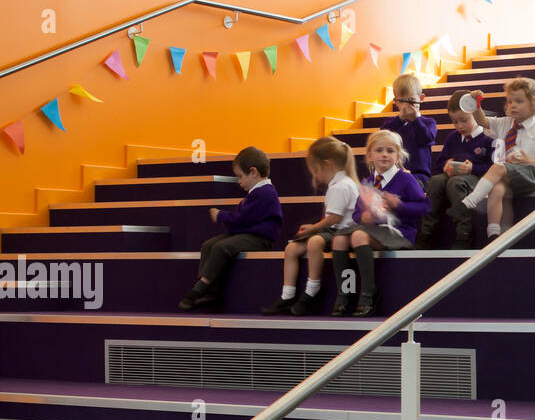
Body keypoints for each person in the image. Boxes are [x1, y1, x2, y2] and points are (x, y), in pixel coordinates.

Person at [331, 129, 428, 317]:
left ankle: (369, 292)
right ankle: (346, 292)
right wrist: (363, 217)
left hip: (400, 233)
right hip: (373, 232)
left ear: (398, 155)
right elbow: (358, 214)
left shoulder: (406, 179)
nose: (385, 154)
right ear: (369, 156)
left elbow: (423, 207)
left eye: (390, 151)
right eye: (379, 150)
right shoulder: (368, 182)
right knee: (339, 240)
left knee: (358, 235)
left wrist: (399, 205)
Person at [261, 137, 358, 316]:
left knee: (314, 242)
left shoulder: (342, 186)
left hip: (342, 232)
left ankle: (312, 290)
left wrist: (313, 228)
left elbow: (334, 219)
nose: (315, 175)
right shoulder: (336, 184)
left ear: (327, 165)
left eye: (315, 170)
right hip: (331, 230)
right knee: (291, 249)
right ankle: (288, 295)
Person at [450, 77, 535, 241]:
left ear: (533, 104)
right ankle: (493, 233)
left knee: (498, 167)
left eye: (518, 101)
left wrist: (529, 162)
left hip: (531, 175)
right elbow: (482, 121)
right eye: (509, 101)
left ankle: (469, 203)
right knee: (497, 188)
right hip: (510, 173)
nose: (512, 105)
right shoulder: (505, 123)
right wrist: (476, 105)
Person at [179, 146, 282, 311]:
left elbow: (243, 219)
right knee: (208, 245)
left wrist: (221, 215)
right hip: (247, 233)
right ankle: (211, 290)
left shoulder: (265, 193)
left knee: (222, 247)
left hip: (260, 239)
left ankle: (200, 287)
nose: (239, 181)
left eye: (240, 176)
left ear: (253, 172)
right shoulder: (256, 193)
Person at [418, 90, 495, 249]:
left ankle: (464, 232)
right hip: (453, 176)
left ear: (475, 114)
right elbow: (439, 163)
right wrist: (446, 166)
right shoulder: (453, 137)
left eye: (464, 120)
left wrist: (472, 168)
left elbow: (494, 167)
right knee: (435, 181)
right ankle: (426, 231)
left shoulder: (488, 137)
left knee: (455, 183)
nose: (459, 126)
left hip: (476, 178)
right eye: (455, 122)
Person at [379, 72, 437, 188]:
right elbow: (382, 138)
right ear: (395, 102)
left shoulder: (428, 123)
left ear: (421, 99)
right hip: (393, 173)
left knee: (409, 185)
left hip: (419, 175)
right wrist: (400, 119)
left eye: (411, 100)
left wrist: (415, 119)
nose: (406, 106)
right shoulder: (392, 123)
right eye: (402, 101)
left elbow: (425, 139)